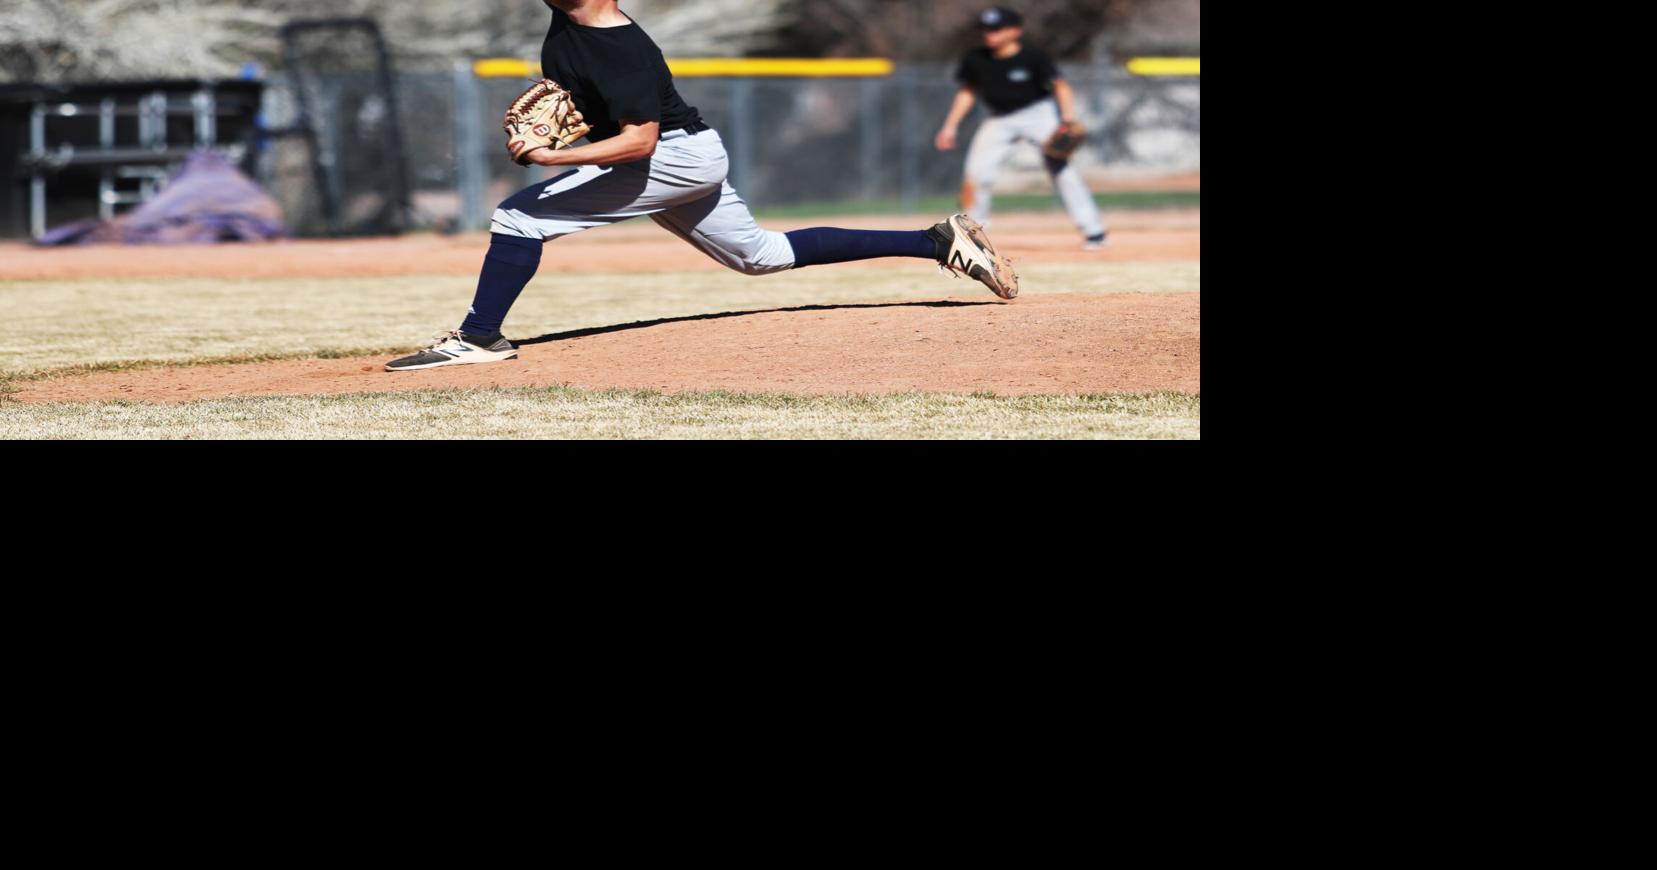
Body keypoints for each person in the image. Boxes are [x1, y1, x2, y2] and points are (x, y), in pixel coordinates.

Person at [387, 0, 1018, 372]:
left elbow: (639, 141)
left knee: (518, 218)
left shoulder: (619, 47)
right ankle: (938, 241)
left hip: (671, 158)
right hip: (683, 155)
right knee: (759, 256)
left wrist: (555, 157)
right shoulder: (566, 26)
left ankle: (479, 337)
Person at [934, 6, 1108, 251]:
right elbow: (967, 92)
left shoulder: (1033, 57)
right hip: (999, 119)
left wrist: (1066, 120)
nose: (989, 34)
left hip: (1037, 114)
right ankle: (972, 236)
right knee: (976, 174)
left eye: (996, 29)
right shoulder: (976, 58)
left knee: (1061, 170)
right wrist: (950, 126)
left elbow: (1061, 87)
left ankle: (1094, 231)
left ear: (1015, 31)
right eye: (986, 29)